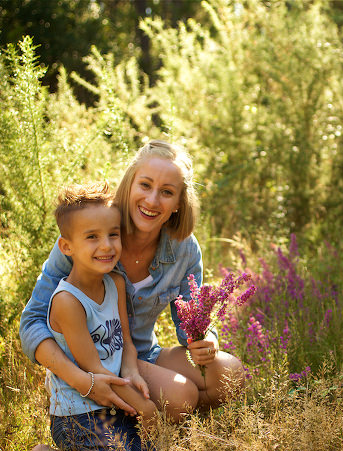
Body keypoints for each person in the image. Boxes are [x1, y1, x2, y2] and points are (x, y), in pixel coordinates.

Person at [19, 139, 244, 423]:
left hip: (142, 355)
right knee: (181, 397)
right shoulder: (93, 233)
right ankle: (105, 417)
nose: (152, 201)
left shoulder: (184, 249)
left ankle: (144, 422)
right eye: (145, 185)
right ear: (129, 185)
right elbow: (32, 323)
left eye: (167, 192)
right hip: (91, 363)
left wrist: (206, 339)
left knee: (230, 374)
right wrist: (81, 380)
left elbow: (190, 323)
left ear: (178, 203)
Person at [4, 182, 156, 451]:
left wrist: (133, 372)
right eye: (92, 237)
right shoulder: (67, 303)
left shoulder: (114, 282)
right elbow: (94, 369)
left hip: (115, 398)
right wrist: (144, 407)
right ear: (66, 246)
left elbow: (126, 343)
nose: (106, 245)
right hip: (80, 415)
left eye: (113, 234)